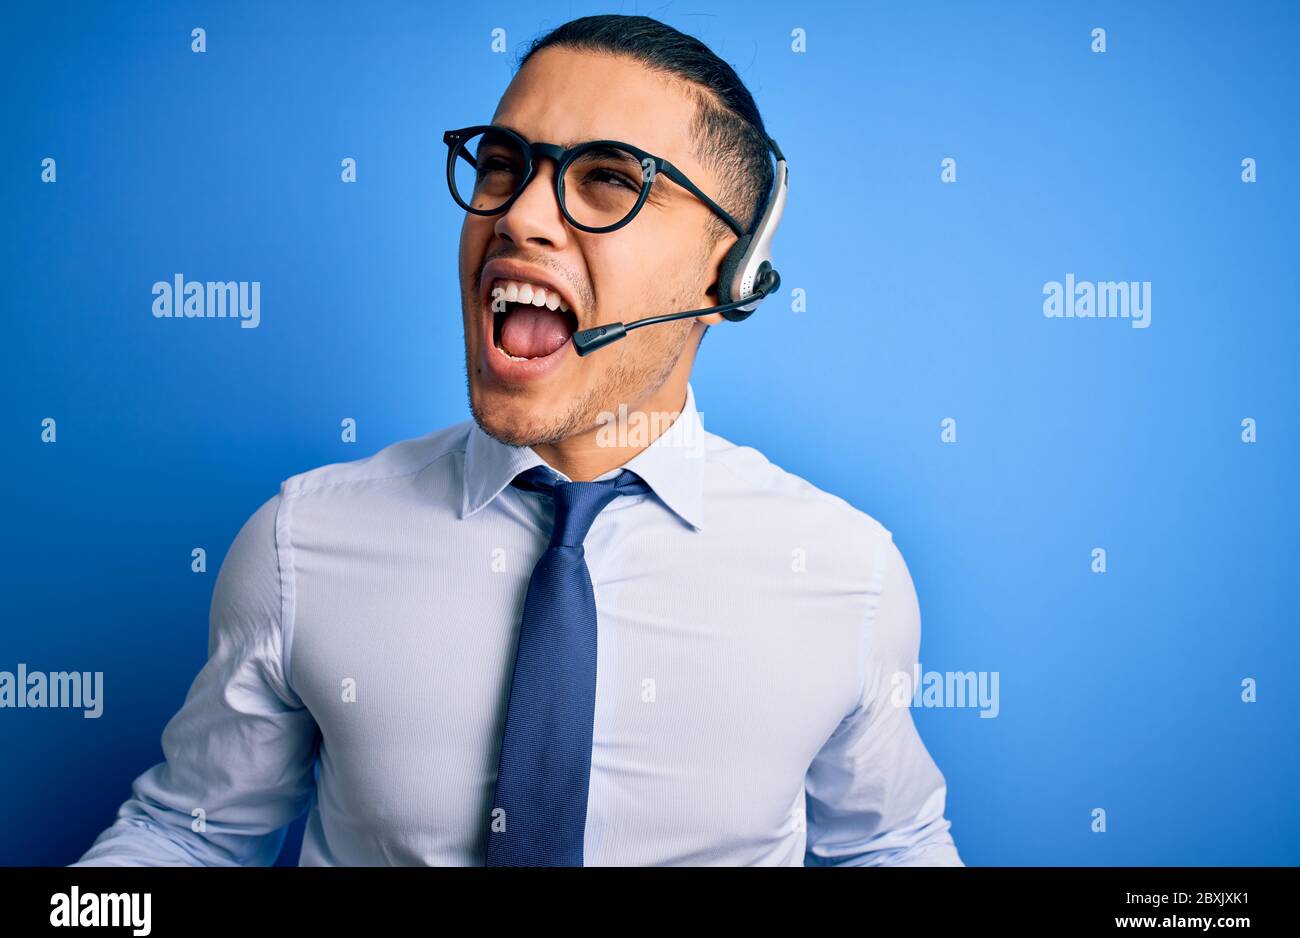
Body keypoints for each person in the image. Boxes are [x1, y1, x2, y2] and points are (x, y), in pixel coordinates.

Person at [74, 13, 962, 867]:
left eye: (609, 179)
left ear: (727, 271)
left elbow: (891, 848)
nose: (518, 218)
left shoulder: (847, 575)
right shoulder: (299, 542)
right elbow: (188, 836)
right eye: (504, 165)